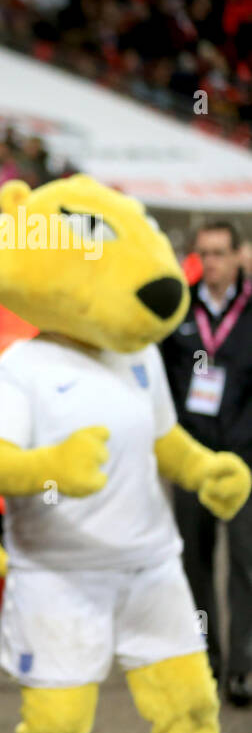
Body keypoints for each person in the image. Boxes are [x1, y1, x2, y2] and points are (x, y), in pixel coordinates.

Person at [160, 221, 252, 706]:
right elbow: (162, 380)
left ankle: (243, 666)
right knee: (193, 562)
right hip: (193, 457)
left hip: (243, 461)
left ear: (239, 256)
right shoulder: (178, 310)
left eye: (220, 253)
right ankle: (207, 661)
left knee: (245, 562)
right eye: (205, 254)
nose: (212, 262)